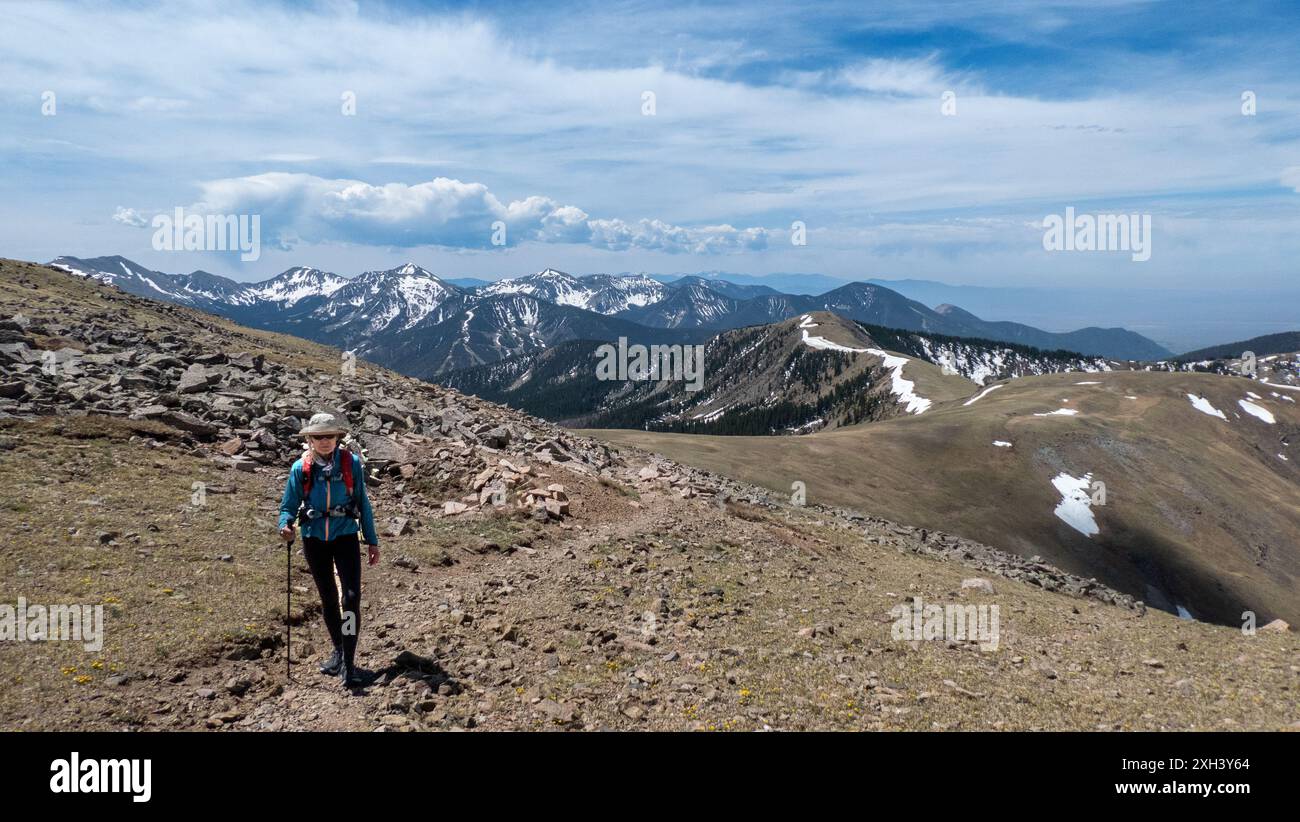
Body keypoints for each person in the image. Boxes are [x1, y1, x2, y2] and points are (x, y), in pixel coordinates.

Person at [278, 412, 379, 688]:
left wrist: (372, 540)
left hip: (345, 535)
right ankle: (338, 650)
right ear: (310, 439)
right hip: (313, 539)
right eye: (318, 437)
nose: (324, 441)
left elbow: (363, 502)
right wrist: (285, 524)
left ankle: (348, 659)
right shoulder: (301, 468)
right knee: (328, 598)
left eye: (329, 436)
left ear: (338, 437)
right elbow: (288, 505)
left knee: (350, 598)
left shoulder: (351, 464)